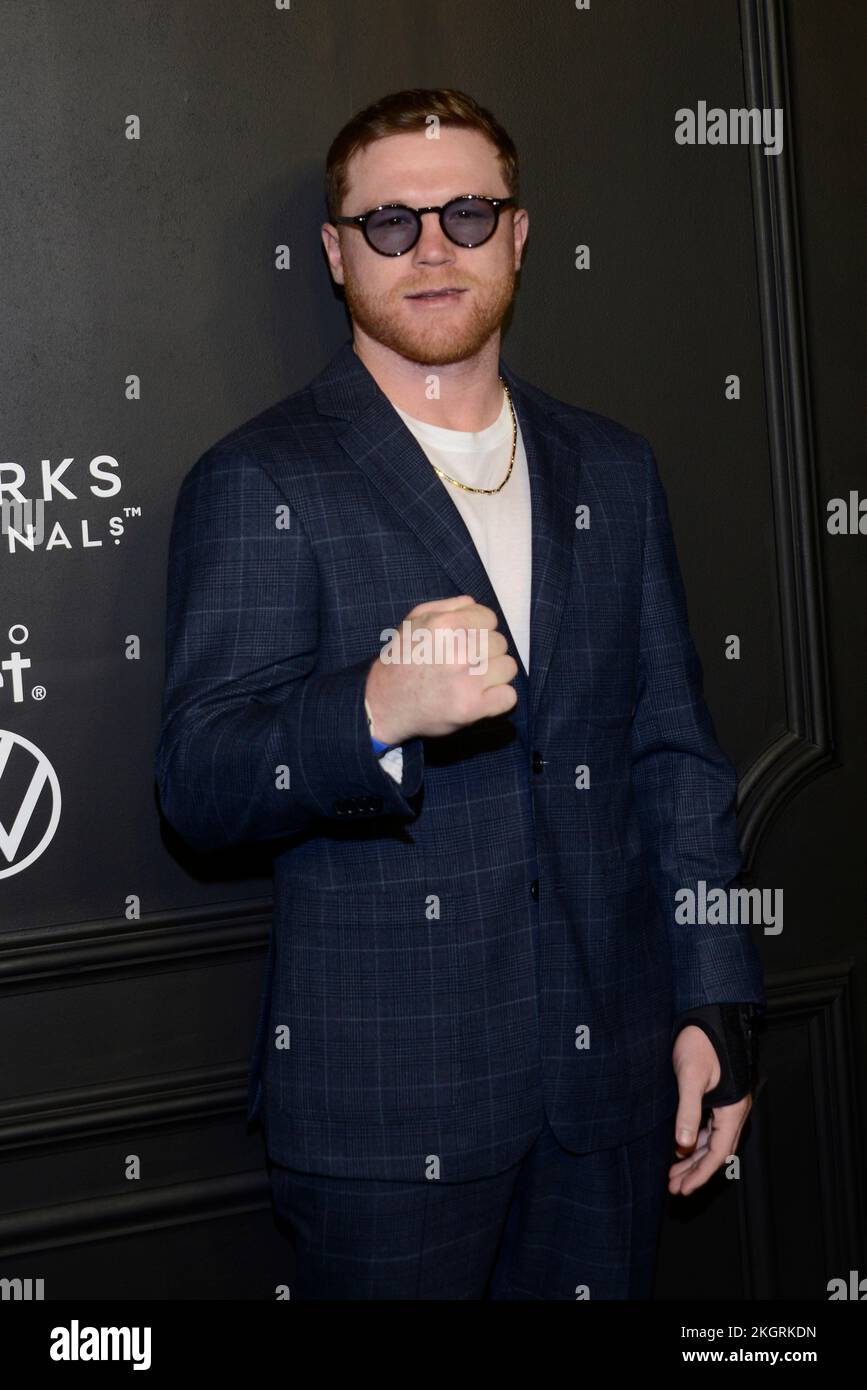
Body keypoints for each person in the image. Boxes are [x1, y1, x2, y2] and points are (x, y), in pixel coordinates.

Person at [154, 87, 765, 1300]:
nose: (432, 249)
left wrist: (716, 1000)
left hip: (612, 1093)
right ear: (335, 254)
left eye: (468, 215)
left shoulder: (615, 467)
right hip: (389, 1122)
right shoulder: (259, 477)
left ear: (520, 235)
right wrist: (374, 710)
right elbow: (199, 779)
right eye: (390, 224)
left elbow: (674, 755)